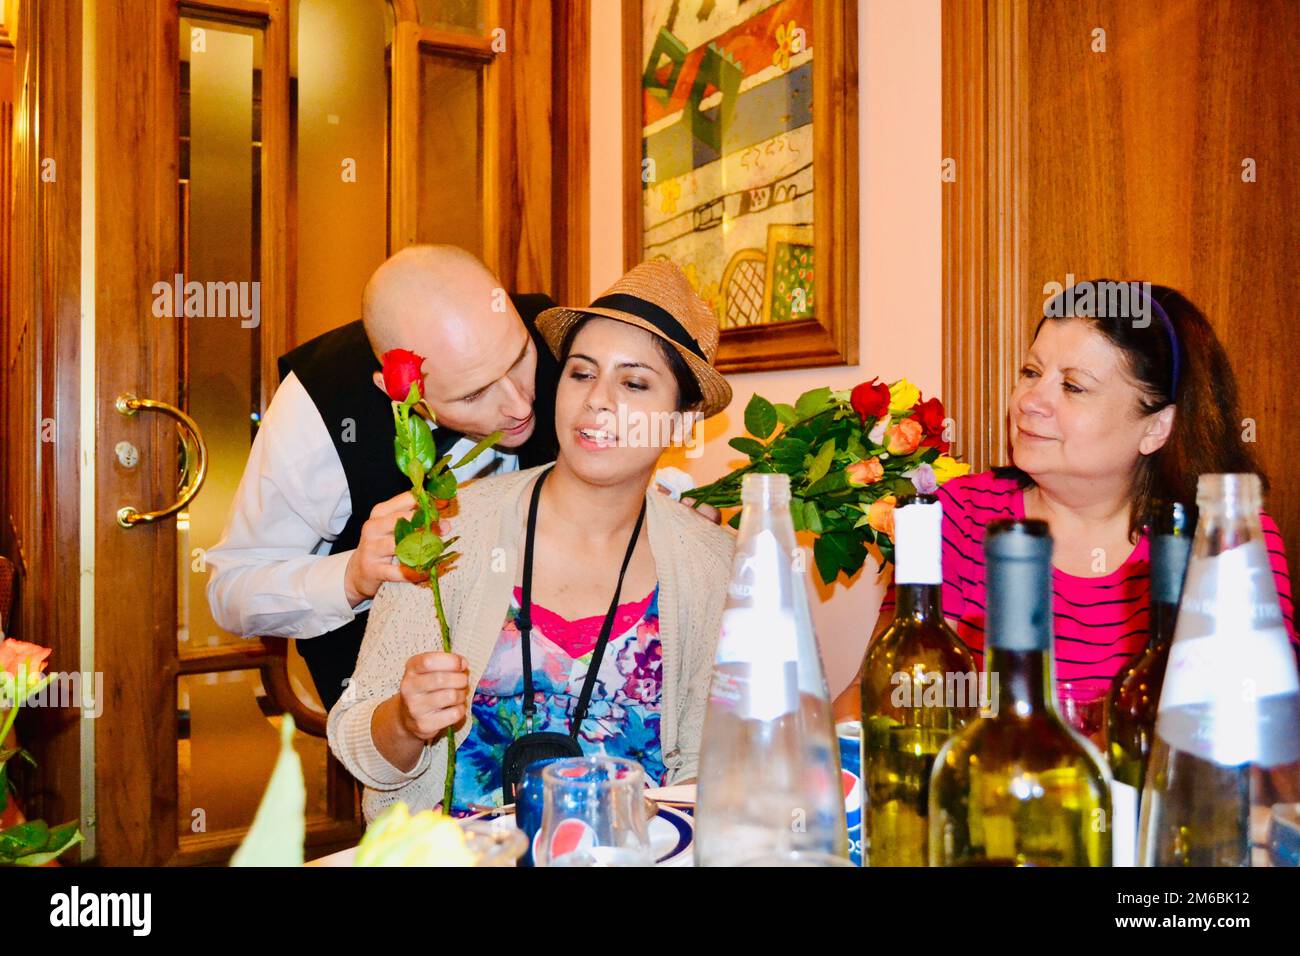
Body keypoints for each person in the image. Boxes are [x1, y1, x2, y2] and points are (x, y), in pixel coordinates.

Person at [327, 260, 735, 821]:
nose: (597, 400)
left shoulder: (714, 564)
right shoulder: (448, 531)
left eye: (634, 382)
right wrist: (403, 720)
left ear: (682, 419)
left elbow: (708, 771)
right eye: (582, 372)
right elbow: (357, 745)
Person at [834, 279, 1295, 718]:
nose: (1029, 400)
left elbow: (1264, 725)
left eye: (1073, 386)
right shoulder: (957, 516)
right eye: (1032, 372)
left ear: (1156, 427)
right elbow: (872, 698)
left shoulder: (1224, 540)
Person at [206, 245, 560, 711]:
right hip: (388, 711)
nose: (519, 405)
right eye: (473, 394)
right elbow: (231, 592)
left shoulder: (553, 331)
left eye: (518, 360)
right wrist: (352, 577)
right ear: (397, 392)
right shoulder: (317, 410)